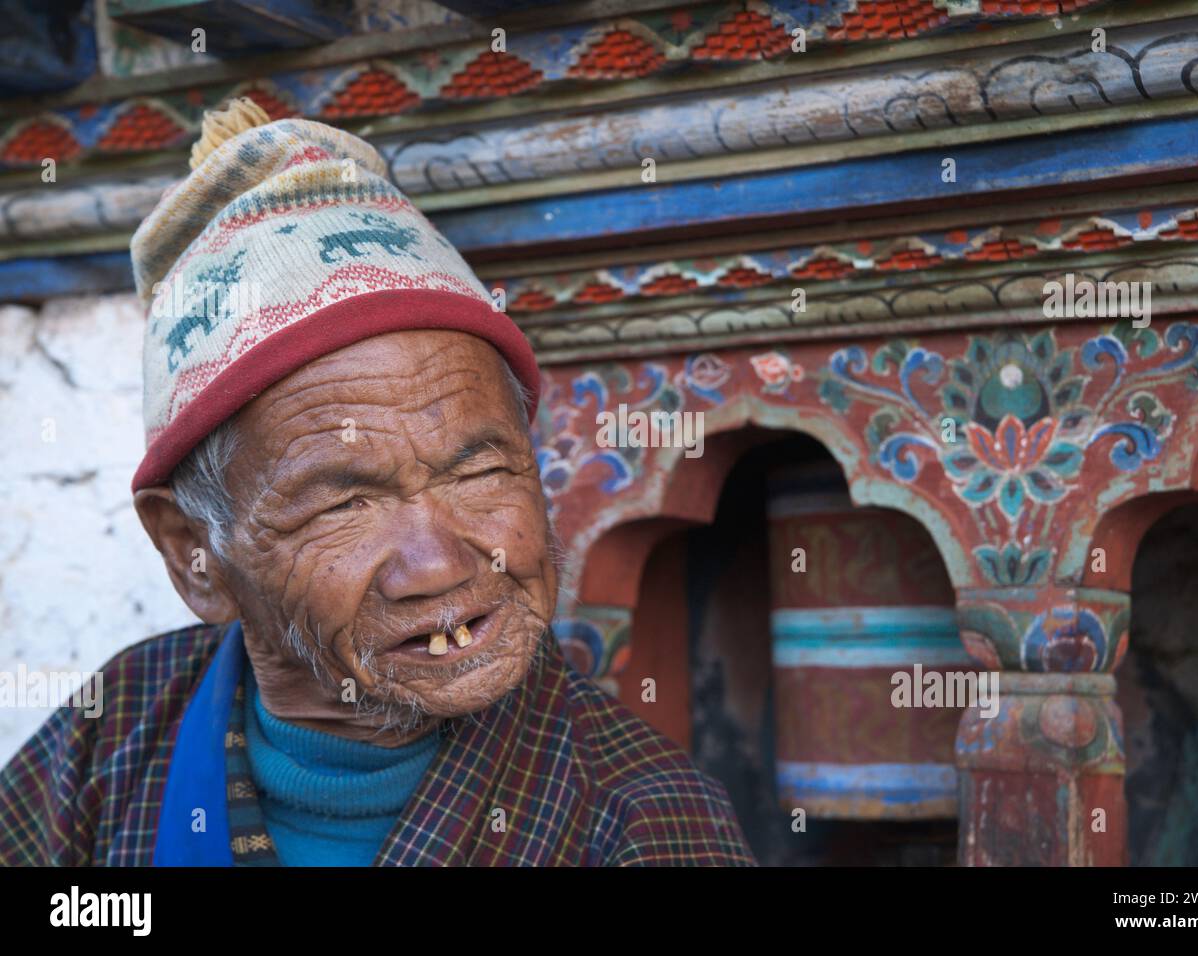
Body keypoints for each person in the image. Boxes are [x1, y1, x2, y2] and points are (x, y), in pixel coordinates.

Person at [0, 99, 755, 867]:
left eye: (482, 469)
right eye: (345, 503)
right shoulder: (118, 729)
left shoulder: (647, 824)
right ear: (193, 551)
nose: (439, 564)